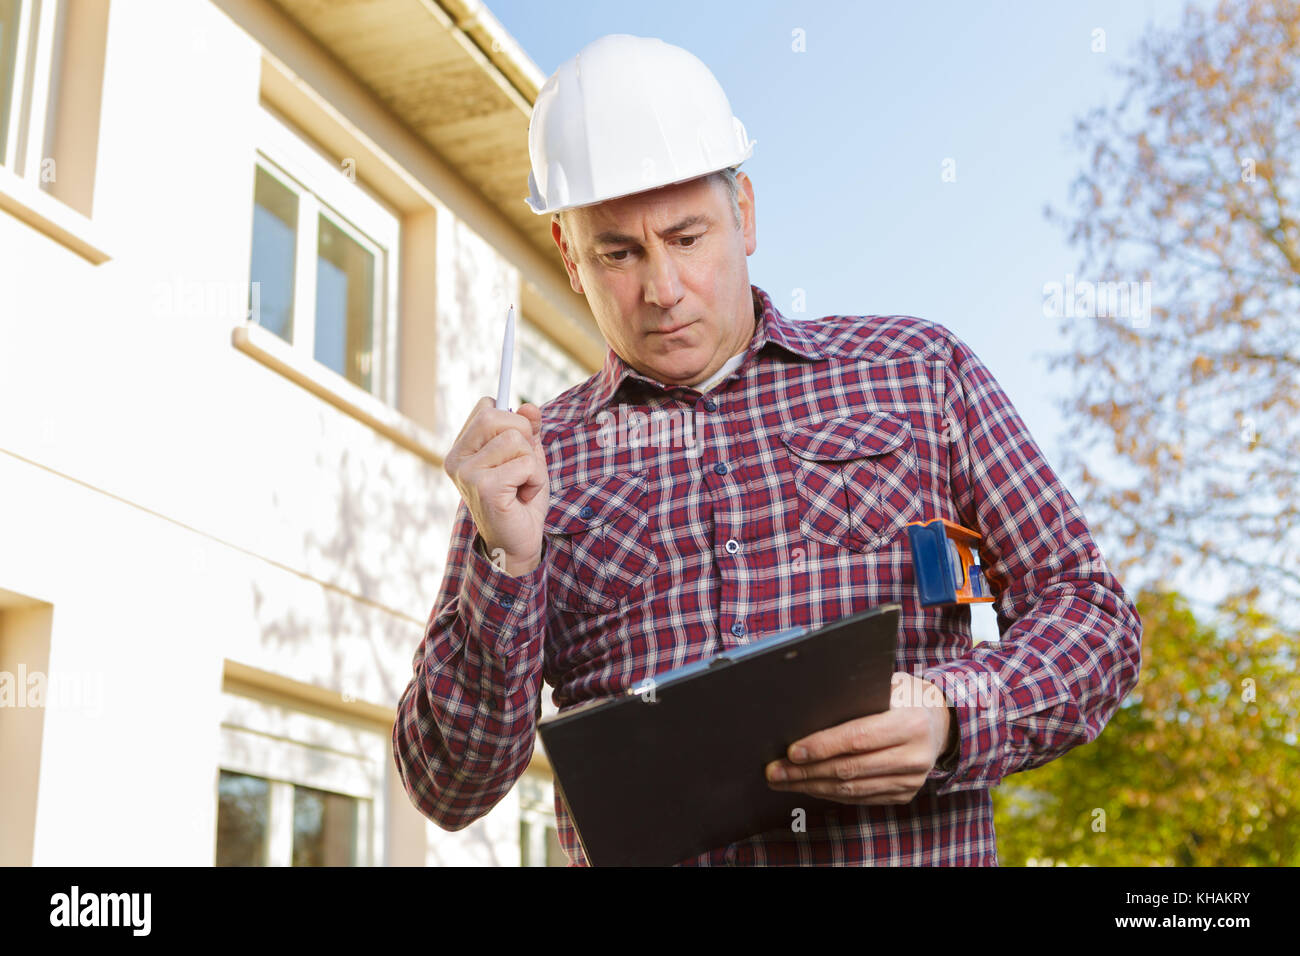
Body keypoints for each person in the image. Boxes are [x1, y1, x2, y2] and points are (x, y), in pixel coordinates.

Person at [392, 34, 1143, 866]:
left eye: (686, 237)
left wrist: (952, 711)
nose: (662, 289)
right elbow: (447, 787)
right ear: (571, 257)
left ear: (744, 214)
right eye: (618, 253)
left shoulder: (919, 374)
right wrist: (506, 565)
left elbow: (1094, 616)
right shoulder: (528, 468)